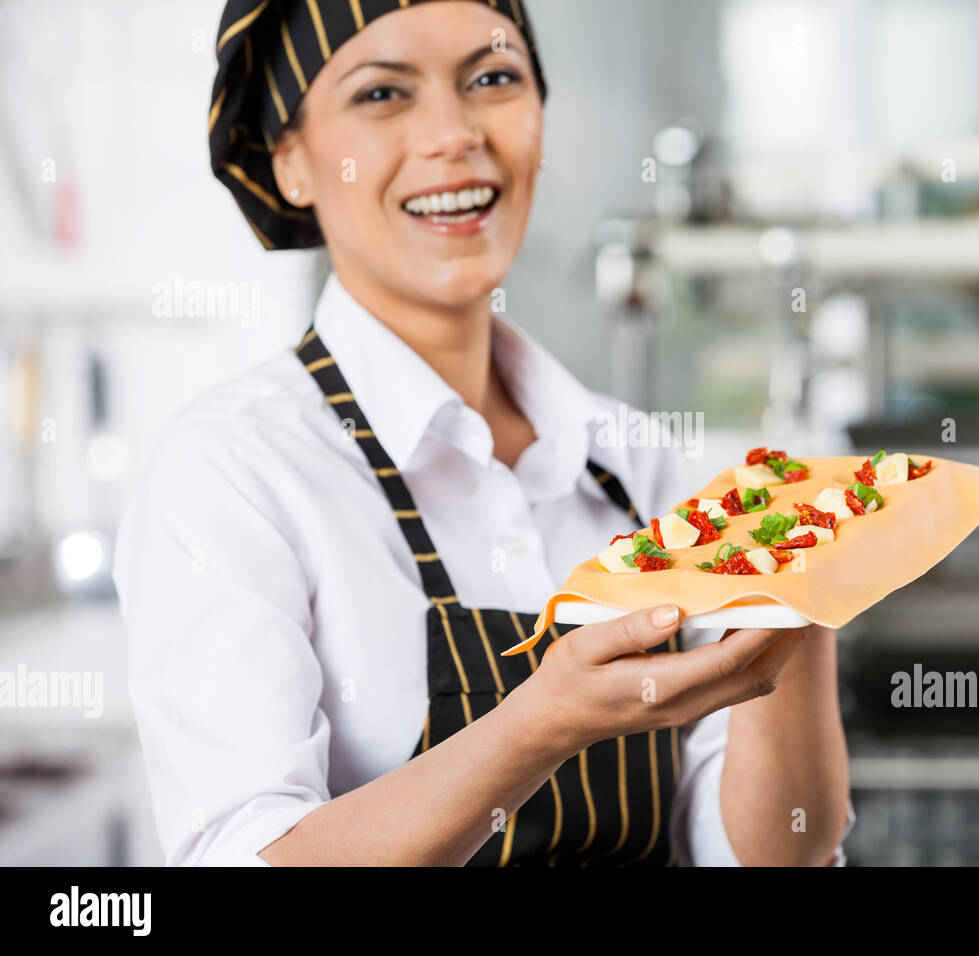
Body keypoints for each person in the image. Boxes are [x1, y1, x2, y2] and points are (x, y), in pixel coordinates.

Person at [114, 0, 851, 866]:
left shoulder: (629, 458)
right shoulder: (233, 471)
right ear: (291, 161)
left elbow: (766, 856)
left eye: (493, 78)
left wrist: (801, 599)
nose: (455, 133)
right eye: (383, 95)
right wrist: (543, 722)